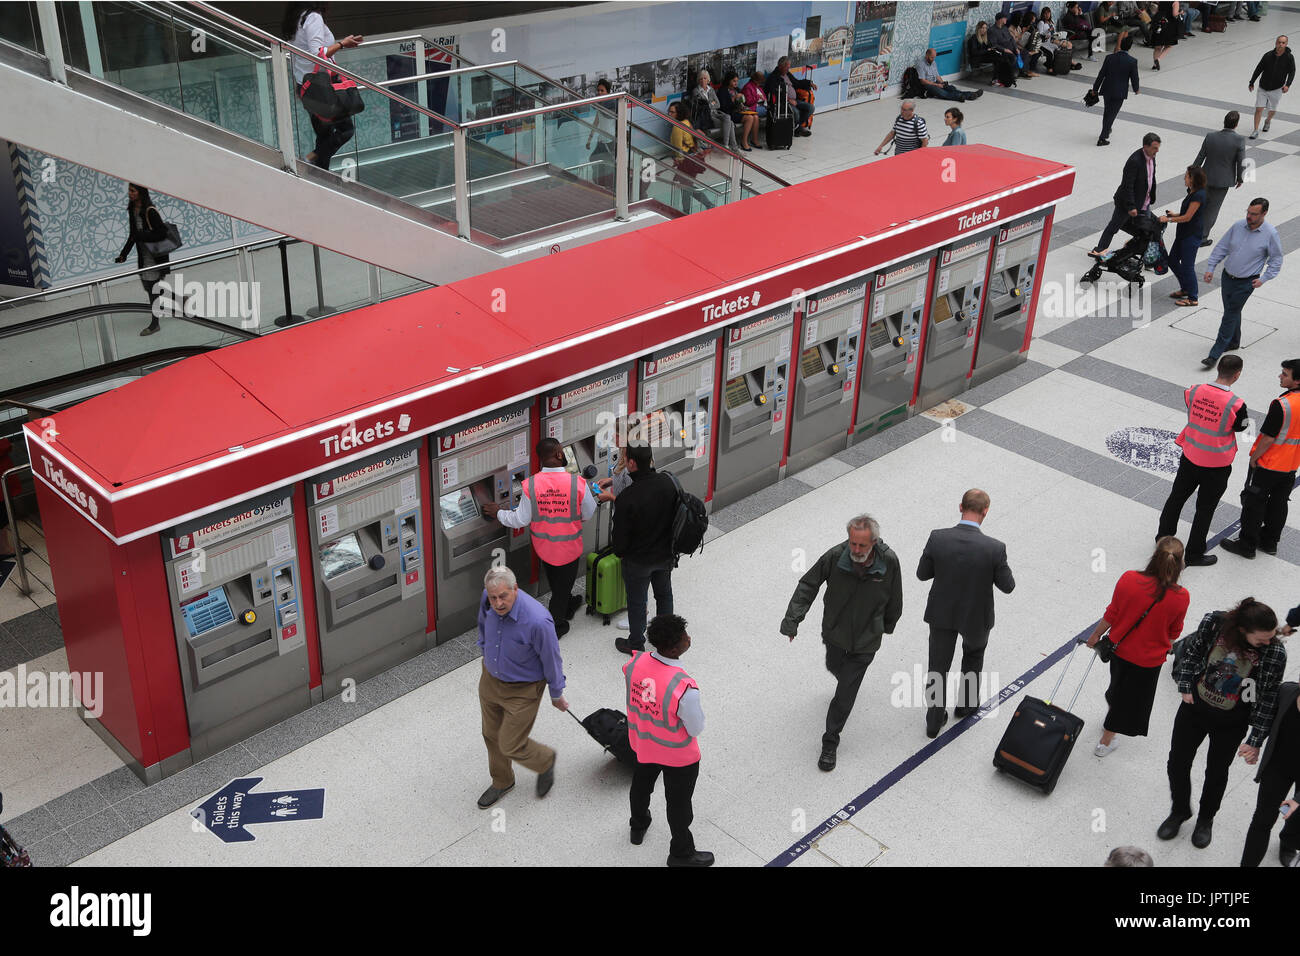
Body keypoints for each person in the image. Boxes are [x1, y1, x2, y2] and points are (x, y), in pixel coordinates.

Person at [1160, 598, 1288, 848]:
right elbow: (1193, 652)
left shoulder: (1274, 653)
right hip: (1194, 709)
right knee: (1177, 762)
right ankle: (1179, 810)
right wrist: (1186, 685)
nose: (1269, 642)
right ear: (1242, 630)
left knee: (1217, 773)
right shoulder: (1214, 623)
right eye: (1262, 639)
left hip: (1232, 722)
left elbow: (1269, 696)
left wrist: (1255, 739)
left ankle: (1206, 819)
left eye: (1271, 636)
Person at [780, 514, 903, 771]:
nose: (856, 550)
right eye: (853, 544)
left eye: (862, 545)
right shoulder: (835, 557)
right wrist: (793, 620)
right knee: (834, 666)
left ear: (874, 542)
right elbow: (808, 585)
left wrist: (886, 626)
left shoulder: (889, 562)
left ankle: (830, 741)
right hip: (835, 633)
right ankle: (843, 681)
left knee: (846, 690)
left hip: (867, 639)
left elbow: (895, 597)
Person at [916, 490, 1015, 738]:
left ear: (960, 506)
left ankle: (934, 720)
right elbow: (1008, 586)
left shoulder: (938, 538)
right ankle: (966, 705)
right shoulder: (995, 548)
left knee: (937, 667)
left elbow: (922, 573)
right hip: (976, 618)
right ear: (986, 511)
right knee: (973, 657)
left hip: (941, 614)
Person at [1084, 538, 1190, 757]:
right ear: (1180, 563)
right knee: (1130, 700)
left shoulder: (1129, 578)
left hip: (1119, 650)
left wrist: (1095, 635)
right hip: (1148, 661)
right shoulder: (1181, 596)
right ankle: (1105, 742)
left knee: (1118, 687)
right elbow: (1174, 632)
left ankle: (1113, 709)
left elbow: (1113, 612)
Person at [474, 566, 568, 810]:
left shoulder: (538, 621)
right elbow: (484, 623)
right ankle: (502, 781)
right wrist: (484, 647)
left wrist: (556, 693)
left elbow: (552, 659)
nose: (498, 603)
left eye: (503, 596)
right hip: (491, 679)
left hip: (523, 689)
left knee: (510, 743)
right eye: (493, 597)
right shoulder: (488, 599)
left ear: (515, 588)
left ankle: (545, 760)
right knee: (491, 734)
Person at [483, 438, 595, 639]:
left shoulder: (530, 485)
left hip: (545, 548)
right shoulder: (577, 483)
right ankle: (555, 626)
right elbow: (589, 512)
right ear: (560, 455)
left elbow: (520, 519)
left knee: (557, 583)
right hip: (569, 547)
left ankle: (568, 604)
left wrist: (498, 512)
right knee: (561, 589)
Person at [625, 614, 711, 867]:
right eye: (685, 637)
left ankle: (638, 826)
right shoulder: (685, 688)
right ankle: (681, 853)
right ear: (674, 649)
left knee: (641, 787)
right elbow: (695, 729)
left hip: (643, 744)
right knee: (679, 804)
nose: (689, 638)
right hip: (677, 757)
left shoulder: (634, 663)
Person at [1156, 355, 1248, 566]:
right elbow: (1240, 427)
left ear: (1218, 369)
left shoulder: (1194, 391)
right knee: (1205, 509)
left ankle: (1163, 539)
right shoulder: (1236, 404)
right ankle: (1195, 553)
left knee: (1176, 499)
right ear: (1237, 375)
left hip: (1190, 457)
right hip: (1217, 465)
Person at [1221, 360, 1300, 559]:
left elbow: (1268, 438)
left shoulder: (1282, 405)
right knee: (1279, 503)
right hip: (1290, 465)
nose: (1280, 376)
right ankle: (1270, 542)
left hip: (1269, 463)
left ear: (1297, 381)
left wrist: (1254, 458)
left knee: (1254, 503)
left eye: (1285, 374)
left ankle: (1247, 545)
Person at [610, 443, 678, 656]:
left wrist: (621, 554)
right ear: (650, 460)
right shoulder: (668, 482)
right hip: (665, 554)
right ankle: (667, 640)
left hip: (638, 561)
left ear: (631, 463)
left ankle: (636, 643)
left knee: (638, 602)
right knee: (664, 595)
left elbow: (619, 543)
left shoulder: (627, 498)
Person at [1199, 198, 1283, 368]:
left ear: (1264, 213)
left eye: (1254, 214)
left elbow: (1276, 260)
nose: (1249, 216)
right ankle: (1234, 341)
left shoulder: (1270, 234)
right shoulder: (1238, 226)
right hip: (1227, 277)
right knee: (1231, 310)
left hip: (1247, 282)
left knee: (1229, 315)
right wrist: (1210, 267)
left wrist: (1264, 278)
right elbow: (1222, 247)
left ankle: (1215, 354)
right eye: (1248, 212)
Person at [282, 3, 362, 170]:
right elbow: (317, 53)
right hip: (320, 87)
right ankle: (313, 159)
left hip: (306, 85)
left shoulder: (297, 16)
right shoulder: (313, 17)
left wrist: (298, 86)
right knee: (345, 130)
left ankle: (318, 171)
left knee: (324, 135)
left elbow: (296, 54)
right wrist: (342, 44)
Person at [1240, 680, 1300, 866]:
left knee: (1296, 814)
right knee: (1263, 819)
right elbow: (1266, 718)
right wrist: (1254, 743)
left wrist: (1298, 799)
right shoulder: (1287, 691)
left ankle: (1288, 841)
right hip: (1278, 766)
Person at [114, 183, 172, 337]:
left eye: (133, 191)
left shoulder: (150, 211)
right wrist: (123, 254)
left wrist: (143, 235)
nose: (130, 193)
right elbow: (133, 234)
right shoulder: (133, 210)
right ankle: (180, 300)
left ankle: (155, 324)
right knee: (150, 287)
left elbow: (162, 233)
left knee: (152, 290)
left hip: (155, 257)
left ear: (141, 193)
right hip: (143, 257)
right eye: (129, 190)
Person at [1090, 132, 1160, 257]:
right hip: (1127, 203)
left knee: (1147, 230)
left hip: (1144, 202)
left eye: (1158, 147)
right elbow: (1128, 185)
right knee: (1114, 226)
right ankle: (1099, 250)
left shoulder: (1151, 157)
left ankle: (1146, 257)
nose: (1157, 150)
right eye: (1155, 147)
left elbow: (1151, 177)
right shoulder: (1135, 161)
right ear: (1145, 146)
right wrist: (1131, 206)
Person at [1192, 111, 1246, 248]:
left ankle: (1191, 231)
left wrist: (1192, 174)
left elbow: (1200, 157)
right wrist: (1240, 178)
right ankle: (1202, 237)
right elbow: (1241, 162)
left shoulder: (1211, 136)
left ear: (1224, 122)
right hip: (1223, 181)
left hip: (1205, 177)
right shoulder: (1239, 140)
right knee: (1212, 209)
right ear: (1236, 124)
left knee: (1199, 205)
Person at [1160, 166, 1207, 306]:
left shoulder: (1199, 195)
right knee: (1172, 260)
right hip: (1183, 234)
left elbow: (1187, 217)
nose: (1184, 178)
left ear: (1193, 179)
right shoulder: (1192, 192)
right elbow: (1188, 214)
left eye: (1186, 176)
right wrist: (1174, 215)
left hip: (1191, 236)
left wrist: (1168, 220)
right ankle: (1185, 288)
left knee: (1187, 266)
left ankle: (1193, 298)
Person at [664, 101, 716, 211]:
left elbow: (677, 148)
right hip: (693, 158)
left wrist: (678, 160)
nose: (669, 114)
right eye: (669, 111)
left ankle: (705, 205)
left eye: (672, 112)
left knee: (686, 187)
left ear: (679, 113)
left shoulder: (677, 127)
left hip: (686, 161)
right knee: (686, 186)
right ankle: (688, 210)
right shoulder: (686, 122)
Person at [1092, 34, 1141, 147]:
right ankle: (1102, 137)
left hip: (1107, 89)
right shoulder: (1132, 61)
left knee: (1107, 111)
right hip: (1119, 92)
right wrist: (1136, 89)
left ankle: (1107, 129)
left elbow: (1101, 75)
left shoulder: (1109, 58)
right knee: (1112, 114)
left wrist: (1095, 88)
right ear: (1129, 47)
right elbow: (1134, 77)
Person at [1247, 36, 1294, 139]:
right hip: (1263, 87)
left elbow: (1292, 71)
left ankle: (1268, 121)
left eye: (1283, 43)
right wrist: (1252, 82)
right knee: (1259, 108)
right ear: (1276, 43)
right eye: (1279, 42)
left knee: (1272, 109)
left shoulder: (1289, 57)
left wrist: (1288, 85)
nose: (1280, 44)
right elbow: (1258, 69)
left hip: (1277, 88)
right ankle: (1255, 130)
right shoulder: (1268, 55)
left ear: (1286, 44)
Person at [764, 57, 813, 136]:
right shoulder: (773, 77)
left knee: (810, 108)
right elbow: (775, 93)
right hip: (783, 102)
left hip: (794, 100)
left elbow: (797, 83)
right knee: (796, 113)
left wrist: (809, 83)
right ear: (780, 66)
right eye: (787, 67)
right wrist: (788, 100)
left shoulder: (787, 74)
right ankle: (797, 128)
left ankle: (796, 127)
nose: (788, 69)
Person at [691, 69, 737, 151]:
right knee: (730, 124)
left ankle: (726, 145)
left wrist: (709, 104)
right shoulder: (696, 91)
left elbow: (718, 104)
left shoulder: (711, 89)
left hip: (715, 113)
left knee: (727, 117)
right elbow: (703, 107)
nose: (703, 80)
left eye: (705, 78)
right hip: (707, 117)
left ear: (708, 79)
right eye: (701, 79)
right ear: (698, 80)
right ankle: (732, 146)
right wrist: (711, 103)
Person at [915, 48, 982, 101]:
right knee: (943, 93)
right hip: (928, 85)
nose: (933, 59)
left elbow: (937, 75)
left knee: (952, 88)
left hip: (935, 82)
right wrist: (937, 85)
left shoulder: (933, 63)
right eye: (931, 57)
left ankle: (971, 94)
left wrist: (942, 83)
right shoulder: (921, 64)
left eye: (934, 57)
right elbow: (922, 81)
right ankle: (964, 96)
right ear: (927, 55)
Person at [969, 20, 1016, 88]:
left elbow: (989, 47)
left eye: (985, 28)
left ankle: (1005, 79)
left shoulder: (985, 38)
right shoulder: (974, 38)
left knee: (1003, 58)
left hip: (985, 55)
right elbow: (974, 52)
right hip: (977, 58)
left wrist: (991, 48)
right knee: (998, 60)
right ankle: (995, 80)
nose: (984, 30)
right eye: (982, 28)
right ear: (978, 28)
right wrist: (987, 50)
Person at [717, 72, 757, 152]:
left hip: (738, 112)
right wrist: (734, 98)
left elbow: (741, 103)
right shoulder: (723, 91)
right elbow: (723, 107)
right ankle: (744, 142)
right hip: (729, 113)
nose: (736, 83)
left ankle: (751, 140)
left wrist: (744, 107)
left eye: (737, 81)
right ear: (729, 81)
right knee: (749, 118)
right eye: (734, 81)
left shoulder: (737, 90)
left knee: (754, 116)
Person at [987, 12, 1022, 87]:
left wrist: (1016, 48)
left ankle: (1012, 75)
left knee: (1023, 52)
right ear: (1000, 19)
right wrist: (1004, 49)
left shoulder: (1005, 28)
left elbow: (1011, 39)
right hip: (1000, 51)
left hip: (1011, 48)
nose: (1006, 19)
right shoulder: (992, 30)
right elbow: (994, 44)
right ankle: (1006, 77)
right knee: (1010, 57)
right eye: (1005, 18)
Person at [1151, 1, 1181, 70]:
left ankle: (1154, 65)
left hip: (1159, 24)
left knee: (1157, 47)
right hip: (1169, 26)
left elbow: (1157, 11)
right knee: (1169, 46)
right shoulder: (1175, 2)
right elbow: (1174, 14)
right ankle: (1158, 59)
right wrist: (1180, 13)